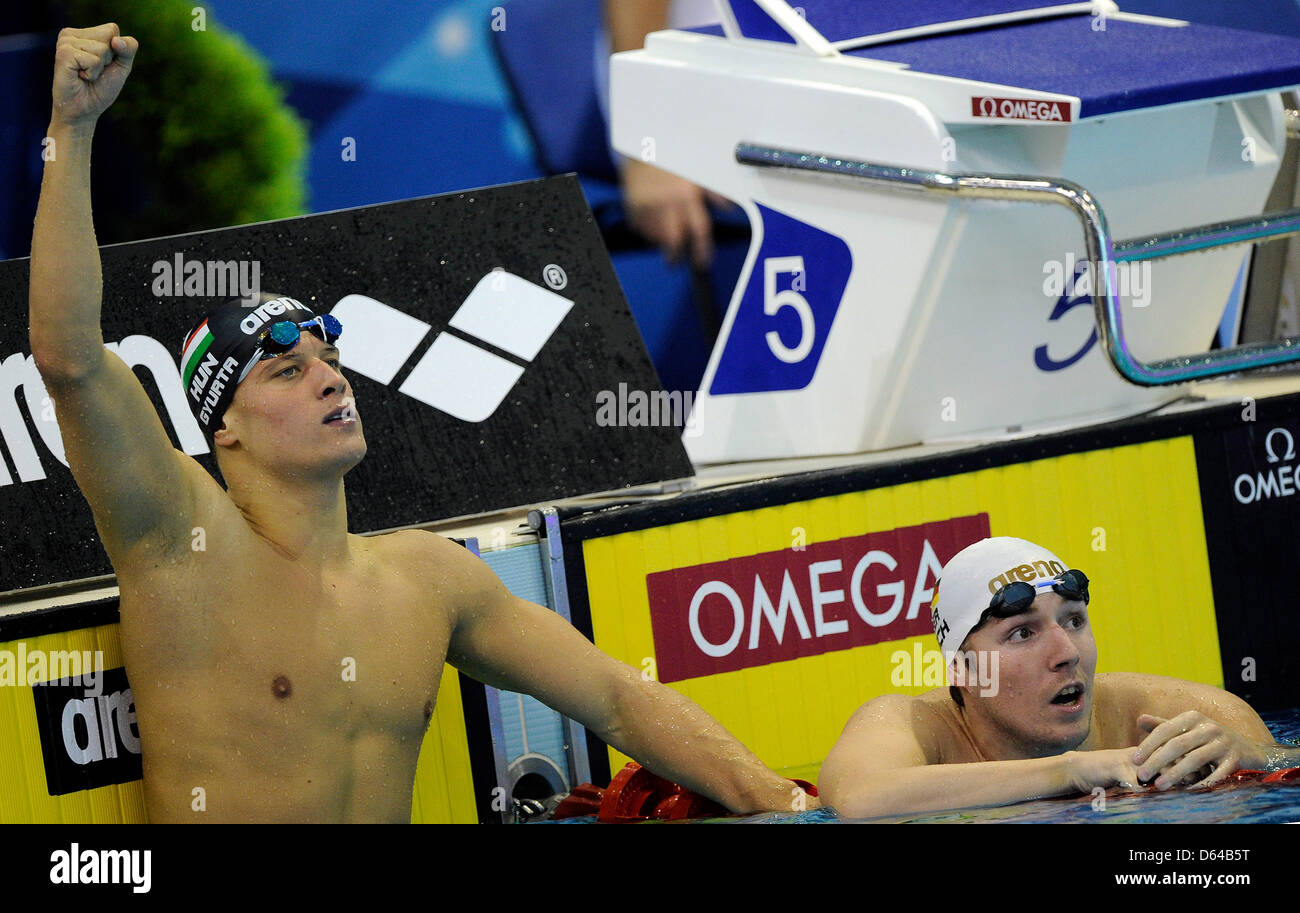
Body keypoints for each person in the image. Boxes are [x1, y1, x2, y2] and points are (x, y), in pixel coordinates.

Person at [30, 23, 810, 823]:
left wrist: (780, 799)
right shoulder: (179, 547)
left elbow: (615, 695)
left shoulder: (425, 579)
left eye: (329, 358)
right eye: (289, 371)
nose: (330, 378)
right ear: (223, 426)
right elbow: (68, 358)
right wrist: (73, 128)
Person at [819, 536, 1300, 819]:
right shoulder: (911, 726)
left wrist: (1267, 757)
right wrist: (1068, 771)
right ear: (965, 672)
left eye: (1074, 620)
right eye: (1023, 633)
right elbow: (856, 800)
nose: (1067, 653)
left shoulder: (1185, 717)